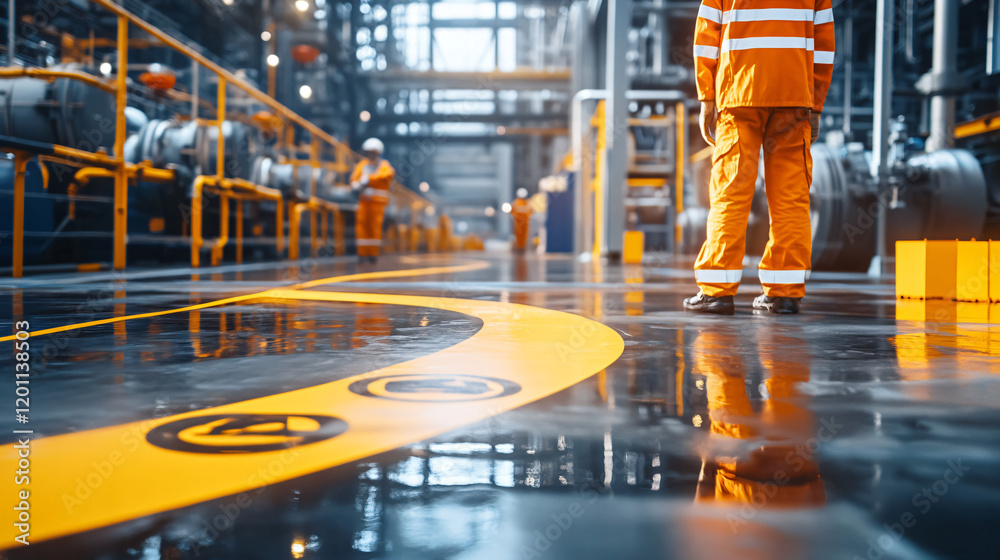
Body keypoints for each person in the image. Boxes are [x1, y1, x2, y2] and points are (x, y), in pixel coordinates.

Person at [684, 0, 835, 315]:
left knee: (731, 190)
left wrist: (707, 97)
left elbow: (707, 37)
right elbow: (823, 47)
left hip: (740, 92)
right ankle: (785, 293)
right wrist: (816, 101)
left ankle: (716, 291)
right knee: (791, 194)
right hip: (794, 95)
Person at [351, 138, 395, 264]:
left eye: (373, 152)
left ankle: (372, 254)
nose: (371, 154)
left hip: (377, 203)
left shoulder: (384, 165)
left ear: (378, 152)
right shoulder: (362, 165)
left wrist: (369, 180)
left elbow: (387, 175)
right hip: (364, 202)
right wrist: (355, 184)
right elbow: (354, 178)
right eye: (369, 152)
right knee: (361, 226)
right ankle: (362, 254)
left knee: (374, 228)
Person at [510, 188, 533, 253]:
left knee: (522, 236)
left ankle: (521, 247)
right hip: (520, 223)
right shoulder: (525, 203)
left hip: (522, 223)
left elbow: (512, 211)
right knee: (520, 236)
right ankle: (519, 247)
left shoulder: (518, 203)